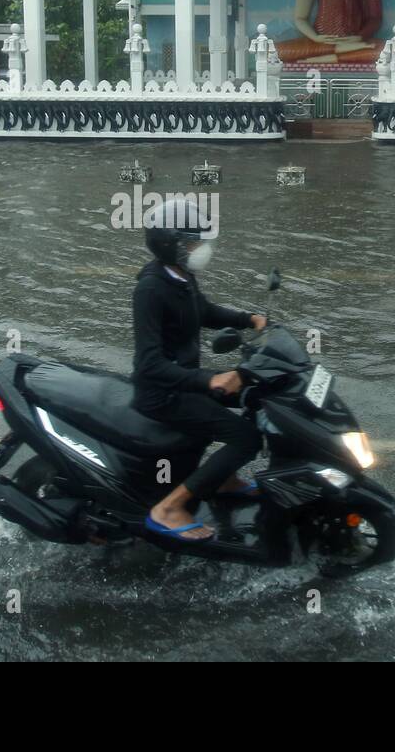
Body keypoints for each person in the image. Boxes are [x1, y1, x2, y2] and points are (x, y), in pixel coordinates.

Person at [131, 199, 267, 541]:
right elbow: (149, 363)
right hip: (162, 393)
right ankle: (168, 508)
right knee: (246, 438)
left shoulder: (181, 276)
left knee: (257, 397)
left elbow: (203, 311)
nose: (200, 248)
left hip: (185, 382)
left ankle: (221, 478)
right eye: (192, 242)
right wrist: (210, 378)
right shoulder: (150, 288)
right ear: (171, 245)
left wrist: (248, 319)